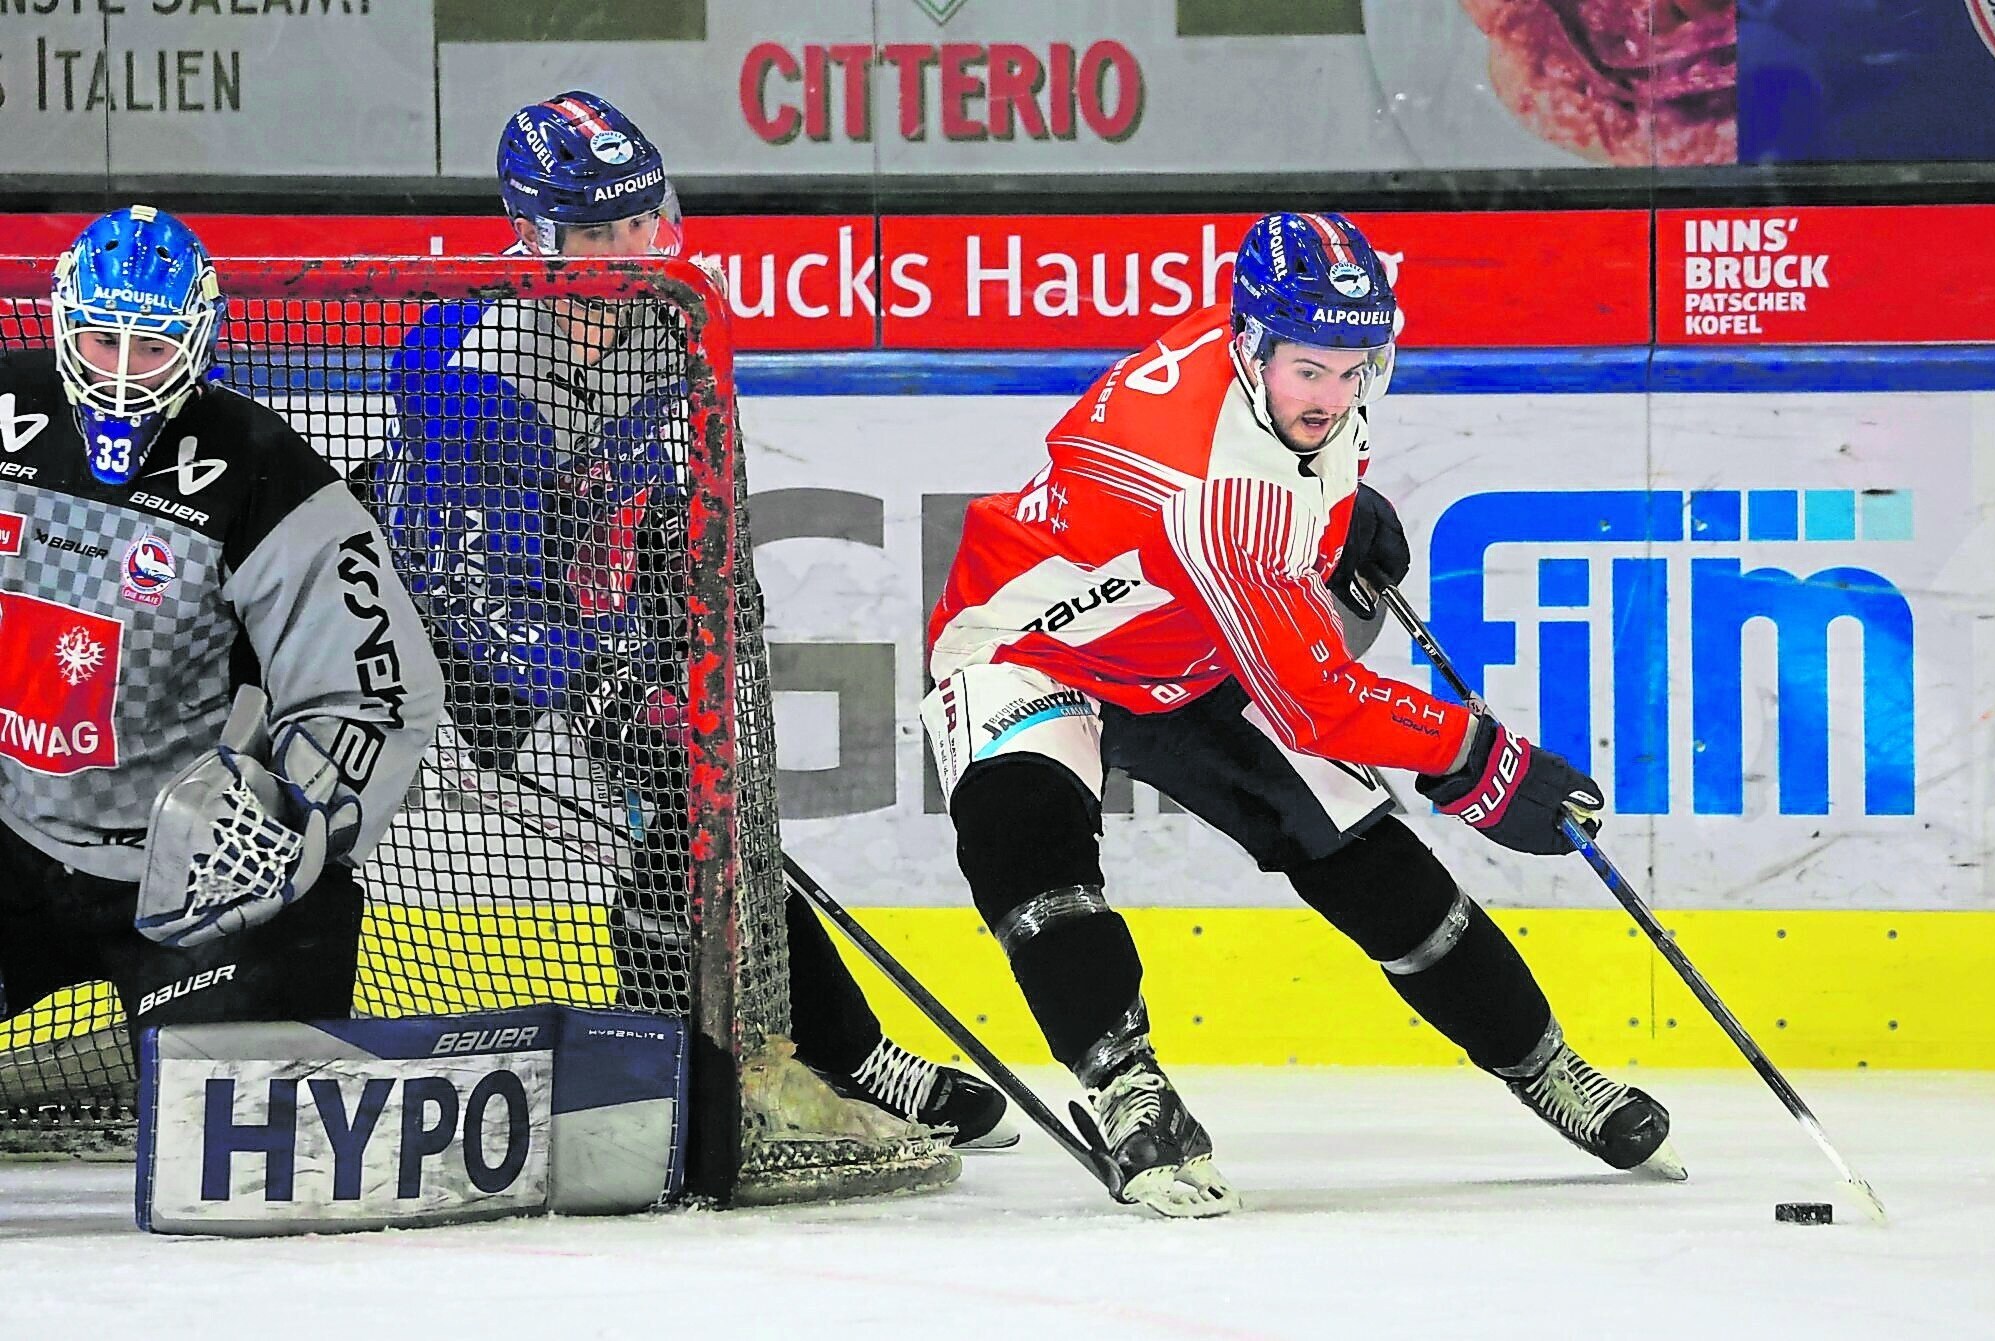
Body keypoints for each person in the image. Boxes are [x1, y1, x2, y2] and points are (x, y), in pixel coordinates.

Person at [923, 211, 1683, 1216]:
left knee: (1353, 844)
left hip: (1191, 640)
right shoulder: (1215, 488)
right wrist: (1480, 760)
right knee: (1027, 842)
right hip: (1027, 649)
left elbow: (1289, 534)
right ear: (1251, 348)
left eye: (1353, 366)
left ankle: (1540, 1062)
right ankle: (1130, 1095)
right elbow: (1318, 701)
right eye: (1309, 373)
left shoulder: (1284, 373)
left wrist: (1329, 524)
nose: (1331, 396)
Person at [371, 91, 1014, 1150]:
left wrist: (673, 626)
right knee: (682, 808)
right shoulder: (480, 373)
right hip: (467, 668)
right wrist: (601, 688)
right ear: (538, 236)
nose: (628, 251)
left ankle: (788, 1056)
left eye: (639, 222)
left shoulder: (663, 323)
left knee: (716, 808)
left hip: (581, 629)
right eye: (596, 233)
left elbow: (657, 508)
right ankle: (727, 1068)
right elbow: (475, 596)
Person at [0, 206, 445, 1054]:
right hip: (14, 836)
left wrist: (291, 810)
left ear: (197, 343)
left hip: (196, 872)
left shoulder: (264, 469)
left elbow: (378, 689)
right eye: (103, 344)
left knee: (244, 1128)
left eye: (152, 348)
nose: (123, 376)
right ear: (63, 325)